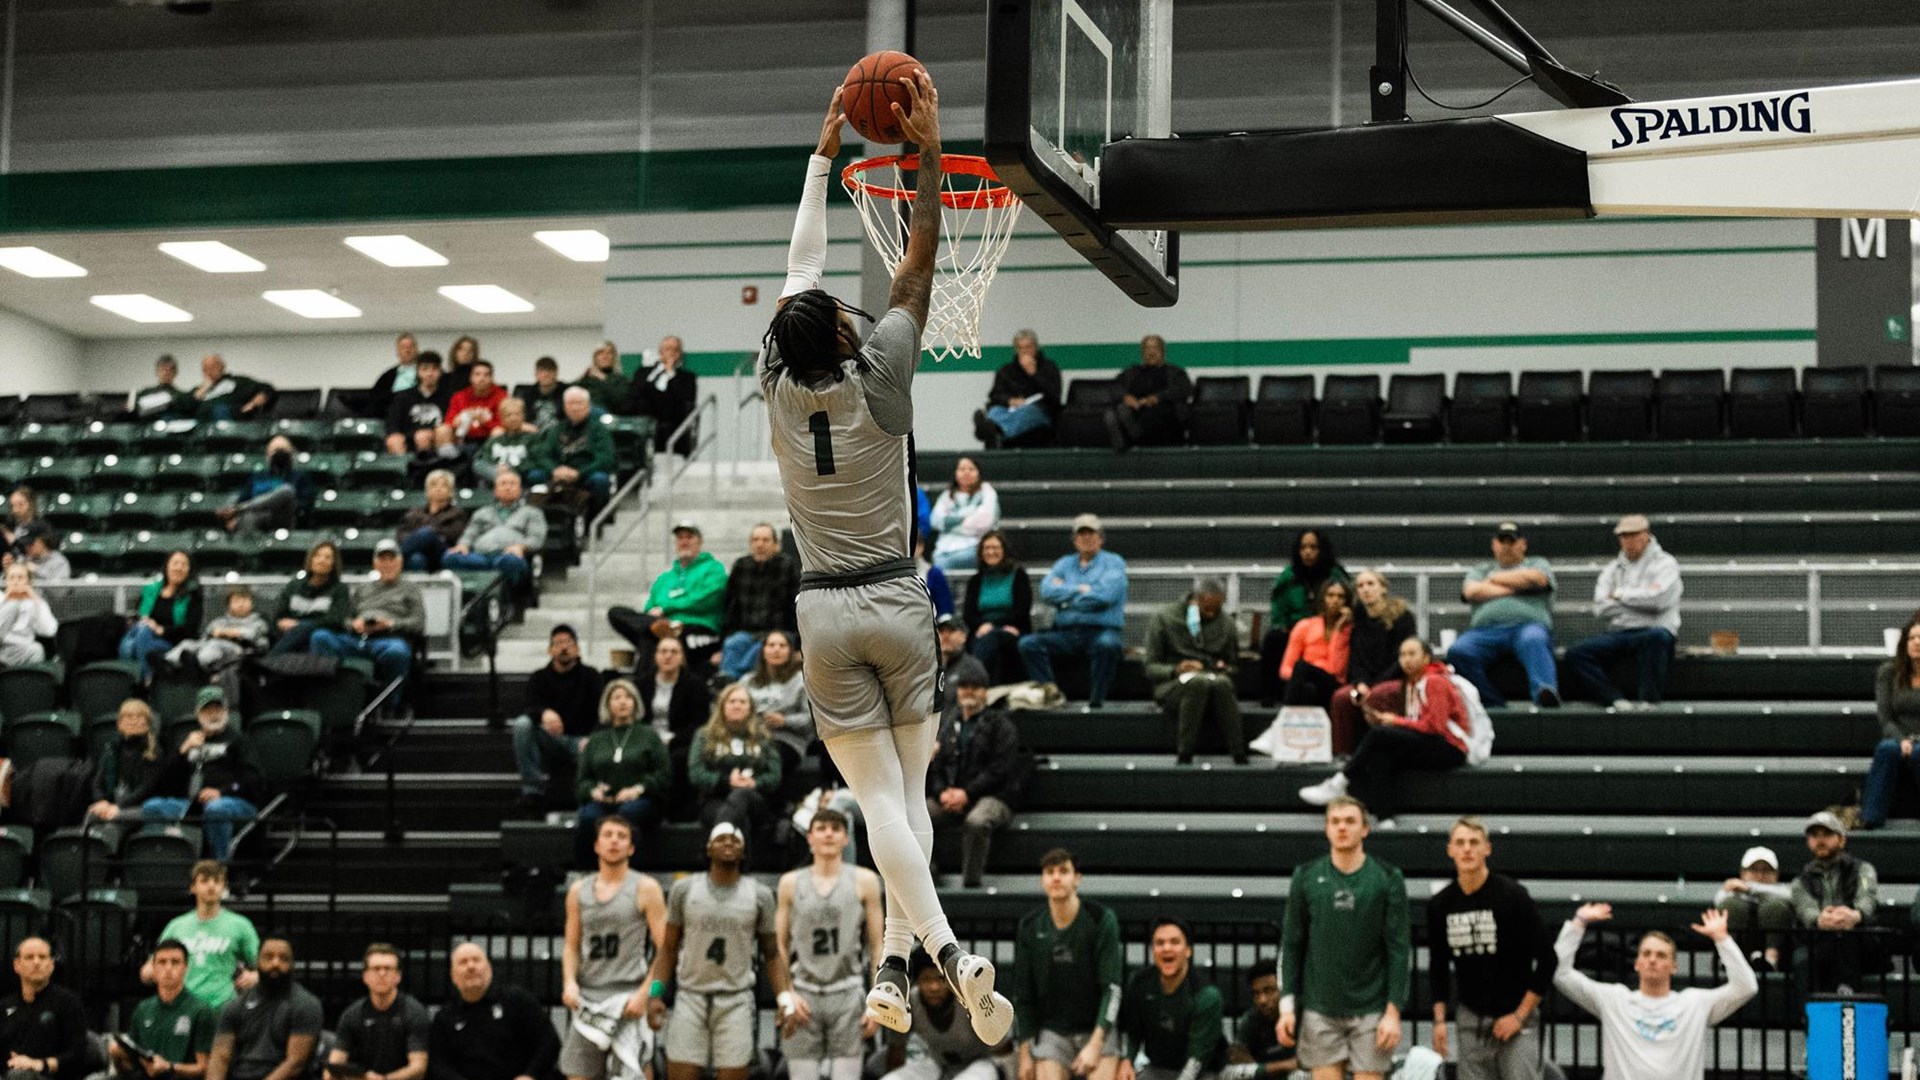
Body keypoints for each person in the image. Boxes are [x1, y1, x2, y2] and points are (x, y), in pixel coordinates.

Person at [760, 75, 1008, 1043]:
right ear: (842, 330)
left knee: (878, 804)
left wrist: (825, 162)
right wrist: (930, 151)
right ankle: (935, 952)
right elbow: (918, 262)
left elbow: (799, 264)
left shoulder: (777, 383)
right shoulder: (882, 371)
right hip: (899, 600)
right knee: (908, 797)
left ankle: (903, 968)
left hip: (821, 609)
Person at [637, 822, 793, 1080]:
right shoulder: (683, 890)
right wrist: (655, 994)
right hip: (690, 996)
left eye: (735, 840)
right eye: (721, 839)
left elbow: (772, 954)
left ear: (743, 853)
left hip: (736, 999)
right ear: (709, 848)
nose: (729, 843)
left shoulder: (760, 895)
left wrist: (785, 1001)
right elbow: (668, 948)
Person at [1277, 796, 1409, 1080]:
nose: (1342, 828)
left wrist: (1393, 1011)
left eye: (1350, 821)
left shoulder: (1387, 877)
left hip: (1372, 1008)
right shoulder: (1306, 876)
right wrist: (1286, 1007)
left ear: (1365, 829)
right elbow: (1291, 944)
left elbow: (1398, 949)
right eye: (1335, 822)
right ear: (1326, 829)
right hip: (1320, 1007)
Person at [1552, 904, 1756, 1080]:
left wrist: (1722, 939)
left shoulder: (1694, 1003)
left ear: (1674, 966)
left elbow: (1746, 987)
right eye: (1646, 954)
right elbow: (1560, 974)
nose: (1652, 960)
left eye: (1661, 955)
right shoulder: (1614, 999)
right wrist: (1577, 924)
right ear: (1637, 963)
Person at [1427, 816, 1553, 1080]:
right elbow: (1438, 965)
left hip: (1516, 1016)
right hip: (1471, 1018)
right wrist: (1439, 1021)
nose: (1467, 849)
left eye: (1474, 842)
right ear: (1450, 850)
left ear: (1487, 849)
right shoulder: (1441, 904)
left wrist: (1519, 1016)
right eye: (1460, 843)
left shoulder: (1512, 895)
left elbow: (1548, 960)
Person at [1298, 638, 1471, 821]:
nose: (1406, 660)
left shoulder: (1435, 681)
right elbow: (1417, 723)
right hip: (1430, 743)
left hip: (1451, 747)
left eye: (1412, 654)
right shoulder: (1412, 683)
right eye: (1402, 655)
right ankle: (1385, 818)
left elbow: (1435, 727)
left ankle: (1341, 780)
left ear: (1427, 658)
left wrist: (1395, 721)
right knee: (1381, 755)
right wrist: (1390, 721)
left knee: (1379, 734)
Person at [777, 808, 885, 1080]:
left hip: (847, 992)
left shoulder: (866, 881)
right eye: (821, 828)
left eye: (835, 829)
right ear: (809, 837)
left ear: (845, 839)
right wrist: (786, 993)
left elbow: (877, 946)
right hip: (803, 992)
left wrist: (877, 1000)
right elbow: (778, 945)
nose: (828, 833)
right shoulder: (789, 883)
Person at [561, 816, 668, 1080]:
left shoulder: (646, 888)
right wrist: (569, 983)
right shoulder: (578, 891)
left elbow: (666, 950)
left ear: (631, 848)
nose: (614, 841)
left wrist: (646, 994)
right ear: (596, 845)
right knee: (577, 1073)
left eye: (622, 836)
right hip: (588, 998)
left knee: (636, 1071)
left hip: (629, 995)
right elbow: (571, 946)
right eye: (608, 835)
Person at [1011, 849, 1122, 1080]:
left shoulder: (1100, 919)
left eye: (1064, 871)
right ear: (1042, 880)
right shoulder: (1030, 926)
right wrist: (1024, 1054)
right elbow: (1023, 995)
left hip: (1097, 1027)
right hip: (1053, 1031)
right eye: (1050, 872)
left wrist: (1096, 1043)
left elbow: (1112, 988)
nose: (1056, 877)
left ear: (1077, 878)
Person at [1562, 515, 1684, 708]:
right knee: (1576, 654)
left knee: (1658, 638)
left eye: (1633, 535)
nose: (1628, 541)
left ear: (1646, 535)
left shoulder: (1666, 564)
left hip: (1654, 630)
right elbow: (1601, 607)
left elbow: (1659, 601)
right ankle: (1614, 699)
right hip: (1619, 632)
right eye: (1624, 536)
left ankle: (1648, 701)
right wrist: (1642, 602)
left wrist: (1619, 595)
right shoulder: (1612, 569)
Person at [927, 663, 1026, 887]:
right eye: (964, 686)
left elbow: (1001, 768)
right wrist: (942, 792)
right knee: (916, 816)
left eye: (975, 686)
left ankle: (971, 883)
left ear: (986, 692)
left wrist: (967, 794)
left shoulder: (1002, 725)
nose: (969, 691)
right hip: (953, 795)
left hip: (994, 796)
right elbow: (938, 765)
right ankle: (929, 874)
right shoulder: (949, 725)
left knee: (977, 821)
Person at [1019, 515, 1128, 712]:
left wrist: (1066, 599)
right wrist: (1083, 589)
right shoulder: (1064, 563)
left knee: (1108, 645)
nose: (1086, 538)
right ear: (1075, 540)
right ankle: (1051, 694)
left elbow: (1105, 596)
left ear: (1101, 538)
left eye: (1091, 533)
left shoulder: (1114, 562)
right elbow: (1046, 591)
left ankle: (1097, 701)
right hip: (1067, 633)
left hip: (1101, 631)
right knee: (1029, 644)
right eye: (1081, 534)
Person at [1449, 523, 1561, 709]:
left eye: (1512, 540)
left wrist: (1493, 579)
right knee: (1459, 651)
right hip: (1485, 632)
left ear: (1523, 544)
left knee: (1534, 639)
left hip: (1527, 627)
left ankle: (1544, 693)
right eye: (1502, 541)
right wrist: (1518, 587)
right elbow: (1472, 592)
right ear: (1494, 544)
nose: (1507, 545)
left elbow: (1537, 579)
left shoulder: (1537, 563)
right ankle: (1491, 702)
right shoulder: (1480, 569)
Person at [143, 688, 263, 862]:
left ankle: (220, 869)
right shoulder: (190, 740)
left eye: (217, 709)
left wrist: (222, 792)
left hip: (234, 802)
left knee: (216, 809)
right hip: (192, 804)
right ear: (198, 713)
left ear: (226, 711)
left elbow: (254, 779)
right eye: (208, 710)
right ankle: (164, 865)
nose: (213, 715)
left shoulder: (239, 740)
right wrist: (182, 750)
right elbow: (162, 780)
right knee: (152, 807)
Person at [573, 678, 671, 869]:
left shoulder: (649, 735)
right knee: (588, 818)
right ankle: (586, 871)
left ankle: (630, 871)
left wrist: (638, 789)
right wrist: (593, 791)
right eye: (617, 697)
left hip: (643, 800)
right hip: (604, 801)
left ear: (635, 703)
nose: (623, 701)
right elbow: (581, 781)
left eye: (628, 697)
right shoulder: (596, 739)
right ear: (608, 705)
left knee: (626, 816)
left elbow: (664, 774)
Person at [1145, 578, 1244, 766]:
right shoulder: (1166, 618)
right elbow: (1150, 666)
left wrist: (1224, 668)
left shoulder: (1226, 624)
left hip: (1213, 678)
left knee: (1222, 683)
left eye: (1216, 609)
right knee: (1198, 682)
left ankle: (1238, 752)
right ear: (1195, 600)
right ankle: (1185, 754)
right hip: (1173, 683)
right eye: (1206, 609)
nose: (1211, 614)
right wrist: (1176, 669)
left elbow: (1234, 666)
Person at [611, 521, 726, 677]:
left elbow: (706, 599)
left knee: (651, 638)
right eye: (680, 538)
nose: (684, 541)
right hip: (660, 626)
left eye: (689, 537)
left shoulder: (714, 569)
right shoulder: (664, 578)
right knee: (616, 613)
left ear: (699, 542)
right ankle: (662, 629)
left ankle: (642, 687)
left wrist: (666, 608)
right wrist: (655, 619)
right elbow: (649, 609)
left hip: (698, 629)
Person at [428, 943, 558, 1080]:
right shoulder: (445, 1017)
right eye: (463, 962)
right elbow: (439, 1064)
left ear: (489, 968)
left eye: (476, 960)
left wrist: (530, 1075)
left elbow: (549, 1041)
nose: (471, 966)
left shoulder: (516, 1000)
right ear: (453, 976)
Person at [1114, 919, 1224, 1080]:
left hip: (1203, 1072)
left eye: (1175, 942)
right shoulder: (1140, 983)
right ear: (1153, 950)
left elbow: (1196, 1061)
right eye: (1159, 943)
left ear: (1188, 950)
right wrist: (1128, 1060)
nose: (1166, 948)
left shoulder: (1206, 995)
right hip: (1157, 1069)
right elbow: (1133, 1032)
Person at [310, 539, 424, 694]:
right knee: (321, 637)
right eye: (382, 560)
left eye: (392, 559)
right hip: (357, 639)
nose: (387, 564)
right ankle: (332, 696)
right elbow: (345, 618)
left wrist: (390, 624)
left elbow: (418, 623)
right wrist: (354, 624)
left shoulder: (411, 589)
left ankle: (389, 705)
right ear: (375, 564)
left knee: (397, 652)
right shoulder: (363, 589)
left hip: (388, 640)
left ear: (400, 562)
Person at [510, 624, 604, 811]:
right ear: (550, 650)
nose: (563, 647)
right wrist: (543, 713)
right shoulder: (538, 678)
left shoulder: (591, 676)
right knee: (522, 724)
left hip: (582, 742)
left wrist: (592, 738)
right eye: (558, 643)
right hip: (550, 740)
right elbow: (527, 706)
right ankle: (532, 790)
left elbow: (604, 712)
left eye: (568, 642)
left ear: (577, 649)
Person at [1329, 571, 1418, 757]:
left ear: (1383, 588)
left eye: (1370, 583)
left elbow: (1401, 660)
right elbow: (1356, 661)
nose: (1365, 589)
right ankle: (1343, 755)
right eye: (1360, 586)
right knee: (1341, 697)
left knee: (1377, 695)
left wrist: (1373, 686)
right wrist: (1360, 684)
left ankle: (1379, 756)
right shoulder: (1359, 622)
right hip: (1367, 683)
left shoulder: (1402, 617)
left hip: (1397, 678)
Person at [205, 938, 320, 1080]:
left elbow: (295, 1063)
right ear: (257, 961)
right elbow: (220, 1057)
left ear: (292, 964)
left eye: (283, 958)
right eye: (268, 957)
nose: (275, 963)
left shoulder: (306, 1004)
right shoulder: (236, 1005)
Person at [1791, 809, 1880, 992]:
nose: (1820, 840)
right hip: (1819, 941)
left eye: (1827, 834)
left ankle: (1846, 1006)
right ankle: (1809, 1017)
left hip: (1858, 940)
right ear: (1809, 842)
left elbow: (1867, 899)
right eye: (1814, 836)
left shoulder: (1863, 869)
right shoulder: (1800, 881)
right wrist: (1820, 919)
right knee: (1801, 958)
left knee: (1846, 937)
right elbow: (1806, 910)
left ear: (1842, 839)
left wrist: (1854, 915)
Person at [1258, 530, 1351, 706]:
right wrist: (1284, 624)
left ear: (1322, 550)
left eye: (1313, 547)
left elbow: (1348, 598)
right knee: (1273, 638)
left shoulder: (1335, 574)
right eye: (1303, 547)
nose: (1307, 552)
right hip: (1296, 629)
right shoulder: (1288, 575)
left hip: (1329, 627)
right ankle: (1268, 696)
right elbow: (1278, 605)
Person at [882, 951, 1003, 1080]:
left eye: (940, 979)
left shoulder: (971, 1000)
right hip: (937, 1063)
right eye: (926, 980)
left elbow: (1004, 1049)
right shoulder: (910, 1002)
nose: (934, 988)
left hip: (978, 1064)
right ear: (917, 981)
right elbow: (896, 1050)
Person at [156, 860, 259, 1009]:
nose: (211, 886)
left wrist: (255, 977)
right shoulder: (176, 926)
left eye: (217, 881)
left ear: (224, 887)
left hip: (223, 1006)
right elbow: (153, 964)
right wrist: (151, 971)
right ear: (193, 887)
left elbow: (263, 967)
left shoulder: (240, 925)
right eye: (204, 881)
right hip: (184, 1007)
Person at [688, 683, 782, 843]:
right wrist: (726, 781)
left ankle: (716, 856)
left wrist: (755, 783)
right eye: (732, 701)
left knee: (741, 795)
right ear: (722, 706)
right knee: (738, 818)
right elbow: (696, 773)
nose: (737, 705)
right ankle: (739, 866)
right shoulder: (704, 735)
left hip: (756, 799)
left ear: (751, 708)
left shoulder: (763, 736)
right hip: (714, 800)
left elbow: (775, 775)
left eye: (742, 702)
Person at [112, 939, 216, 1080]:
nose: (168, 968)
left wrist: (169, 1067)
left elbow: (205, 1068)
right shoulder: (143, 1008)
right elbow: (132, 1062)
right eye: (162, 962)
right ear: (153, 968)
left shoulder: (201, 1010)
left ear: (186, 968)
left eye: (175, 962)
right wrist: (119, 1056)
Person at [328, 944, 429, 1080]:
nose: (382, 973)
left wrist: (384, 1079)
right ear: (365, 976)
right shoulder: (352, 1014)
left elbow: (418, 1068)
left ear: (398, 976)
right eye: (376, 969)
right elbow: (336, 1060)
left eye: (388, 969)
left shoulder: (414, 1012)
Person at [719, 523, 800, 681]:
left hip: (779, 631)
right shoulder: (741, 566)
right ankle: (726, 682)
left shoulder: (788, 566)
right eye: (755, 540)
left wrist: (798, 643)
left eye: (765, 540)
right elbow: (731, 607)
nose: (760, 544)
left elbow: (796, 606)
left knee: (759, 650)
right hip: (747, 632)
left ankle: (738, 682)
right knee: (732, 643)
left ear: (776, 544)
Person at [0, 937, 90, 1078]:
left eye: (42, 957)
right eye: (30, 957)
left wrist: (39, 1064)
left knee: (20, 1076)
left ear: (52, 965)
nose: (36, 962)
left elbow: (78, 1053)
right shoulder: (5, 1005)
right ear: (16, 965)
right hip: (10, 1073)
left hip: (50, 1075)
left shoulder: (68, 1002)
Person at [1861, 616, 1920, 829]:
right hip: (1898, 737)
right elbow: (1885, 717)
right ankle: (1871, 817)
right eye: (1911, 638)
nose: (1916, 642)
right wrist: (1902, 739)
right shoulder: (1889, 672)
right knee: (1887, 749)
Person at [165, 585, 267, 707]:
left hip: (240, 650)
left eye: (245, 600)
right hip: (211, 647)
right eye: (236, 601)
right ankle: (168, 663)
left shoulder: (258, 621)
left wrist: (226, 632)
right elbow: (206, 636)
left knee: (215, 644)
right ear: (228, 605)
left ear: (252, 603)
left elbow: (251, 635)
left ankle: (198, 664)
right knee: (188, 644)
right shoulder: (219, 621)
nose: (241, 604)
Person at [442, 469, 547, 588]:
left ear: (520, 490)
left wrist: (521, 546)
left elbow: (536, 538)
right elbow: (470, 534)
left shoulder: (532, 513)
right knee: (450, 558)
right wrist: (463, 545)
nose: (508, 487)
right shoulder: (482, 512)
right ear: (495, 491)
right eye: (503, 484)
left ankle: (506, 600)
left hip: (508, 556)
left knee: (511, 562)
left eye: (512, 484)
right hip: (481, 557)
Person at [639, 636, 711, 799]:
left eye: (674, 652)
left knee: (679, 757)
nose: (668, 656)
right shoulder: (642, 684)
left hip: (680, 741)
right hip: (646, 739)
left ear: (681, 657)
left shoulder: (695, 685)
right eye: (663, 651)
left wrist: (672, 738)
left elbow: (700, 723)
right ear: (656, 656)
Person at [119, 549, 204, 680]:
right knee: (136, 636)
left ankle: (145, 681)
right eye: (175, 563)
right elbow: (138, 613)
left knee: (132, 643)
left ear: (189, 570)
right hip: (144, 635)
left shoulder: (193, 594)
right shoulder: (151, 589)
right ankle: (143, 680)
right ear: (167, 566)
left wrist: (160, 629)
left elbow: (191, 629)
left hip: (173, 641)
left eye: (184, 564)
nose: (179, 568)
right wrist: (144, 621)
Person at [746, 629, 813, 796]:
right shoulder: (748, 681)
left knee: (769, 757)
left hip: (787, 740)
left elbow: (812, 719)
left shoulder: (802, 680)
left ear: (791, 651)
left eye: (782, 645)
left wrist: (784, 721)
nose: (776, 649)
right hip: (751, 738)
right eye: (771, 645)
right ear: (763, 651)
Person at [88, 698, 174, 824]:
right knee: (92, 814)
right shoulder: (112, 749)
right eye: (128, 716)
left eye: (139, 717)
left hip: (142, 807)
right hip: (114, 804)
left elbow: (146, 789)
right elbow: (97, 782)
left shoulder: (154, 752)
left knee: (116, 819)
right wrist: (101, 801)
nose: (133, 721)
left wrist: (118, 806)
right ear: (119, 724)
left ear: (147, 723)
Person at [963, 531, 1031, 686]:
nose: (991, 552)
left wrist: (994, 626)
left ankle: (973, 683)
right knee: (986, 640)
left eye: (995, 547)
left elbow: (1022, 609)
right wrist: (981, 625)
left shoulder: (1019, 575)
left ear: (1004, 550)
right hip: (982, 630)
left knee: (992, 638)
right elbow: (968, 613)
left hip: (1013, 629)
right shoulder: (976, 580)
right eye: (986, 548)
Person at [974, 329, 1061, 448]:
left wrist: (1034, 374)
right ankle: (990, 426)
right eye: (1020, 348)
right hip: (1010, 409)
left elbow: (1054, 396)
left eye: (1028, 347)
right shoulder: (1006, 370)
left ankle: (992, 429)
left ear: (1036, 348)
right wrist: (1010, 400)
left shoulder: (1049, 367)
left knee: (1026, 412)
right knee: (995, 410)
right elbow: (995, 394)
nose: (1024, 352)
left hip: (1040, 410)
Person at [532, 386, 616, 509]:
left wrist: (579, 473)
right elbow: (543, 455)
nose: (575, 407)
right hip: (558, 474)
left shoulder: (599, 430)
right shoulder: (557, 429)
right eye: (571, 403)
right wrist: (554, 470)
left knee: (600, 479)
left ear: (588, 406)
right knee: (535, 475)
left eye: (579, 403)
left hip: (586, 474)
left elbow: (605, 459)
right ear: (565, 407)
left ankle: (595, 521)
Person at [1104, 335, 1191, 451]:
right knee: (1113, 413)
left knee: (1147, 414)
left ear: (1162, 351)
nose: (1151, 352)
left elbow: (1184, 389)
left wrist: (1156, 398)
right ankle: (1130, 439)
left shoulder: (1175, 372)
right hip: (1135, 409)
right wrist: (1125, 397)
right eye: (1147, 349)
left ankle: (1133, 439)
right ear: (1142, 352)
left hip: (1162, 410)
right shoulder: (1132, 371)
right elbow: (1114, 387)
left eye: (1155, 348)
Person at [216, 436, 316, 536]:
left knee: (287, 490)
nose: (279, 455)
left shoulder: (300, 477)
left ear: (291, 454)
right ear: (267, 455)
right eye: (275, 451)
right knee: (246, 514)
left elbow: (304, 505)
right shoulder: (257, 477)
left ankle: (241, 510)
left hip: (283, 518)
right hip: (254, 518)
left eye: (283, 451)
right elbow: (243, 498)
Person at [1714, 845, 1791, 972]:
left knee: (1775, 907)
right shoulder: (1731, 890)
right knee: (1732, 906)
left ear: (1776, 874)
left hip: (1779, 949)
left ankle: (1770, 960)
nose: (1760, 876)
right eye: (1754, 870)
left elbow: (1789, 896)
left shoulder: (1783, 890)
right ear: (1743, 873)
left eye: (1766, 871)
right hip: (1742, 943)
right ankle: (1728, 959)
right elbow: (1719, 901)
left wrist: (1750, 889)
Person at [267, 540, 351, 656]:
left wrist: (300, 625)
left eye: (328, 557)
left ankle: (271, 658)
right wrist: (281, 623)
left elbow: (335, 620)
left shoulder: (340, 589)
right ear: (310, 559)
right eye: (317, 556)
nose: (322, 560)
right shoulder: (294, 585)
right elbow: (277, 617)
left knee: (312, 633)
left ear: (334, 563)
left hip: (318, 638)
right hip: (289, 636)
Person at [1279, 580, 1352, 709]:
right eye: (1330, 595)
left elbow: (1337, 670)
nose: (1335, 600)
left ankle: (1285, 715)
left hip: (1334, 683)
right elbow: (1285, 669)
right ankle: (1291, 721)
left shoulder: (1350, 630)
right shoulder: (1305, 626)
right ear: (1322, 598)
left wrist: (1339, 629)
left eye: (1341, 596)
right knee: (1307, 687)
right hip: (1305, 681)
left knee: (1302, 667)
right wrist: (1300, 680)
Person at [626, 335, 700, 455]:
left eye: (675, 349)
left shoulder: (687, 377)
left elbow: (684, 401)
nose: (671, 353)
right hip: (645, 423)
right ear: (661, 352)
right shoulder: (643, 372)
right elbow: (635, 394)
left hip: (671, 425)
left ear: (680, 354)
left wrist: (670, 373)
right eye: (668, 349)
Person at [1224, 964, 1297, 1080]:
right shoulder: (1253, 1018)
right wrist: (1283, 1066)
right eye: (1256, 993)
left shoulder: (1301, 1014)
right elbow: (1236, 1054)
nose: (1262, 1000)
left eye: (1269, 991)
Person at [928, 457, 999, 571]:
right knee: (938, 561)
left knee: (942, 565)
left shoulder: (987, 492)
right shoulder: (947, 495)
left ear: (978, 473)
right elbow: (935, 521)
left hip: (976, 545)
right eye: (962, 469)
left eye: (971, 469)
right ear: (956, 474)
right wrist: (967, 517)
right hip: (944, 548)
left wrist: (950, 524)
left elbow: (985, 522)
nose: (966, 472)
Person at [394, 469, 469, 574]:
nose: (438, 489)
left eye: (444, 485)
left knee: (426, 533)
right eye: (434, 485)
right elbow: (401, 534)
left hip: (441, 552)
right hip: (417, 552)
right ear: (427, 489)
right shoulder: (415, 512)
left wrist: (428, 532)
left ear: (450, 491)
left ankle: (392, 562)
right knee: (416, 559)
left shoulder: (456, 513)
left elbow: (453, 534)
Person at [385, 352, 451, 457]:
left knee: (425, 437)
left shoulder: (448, 397)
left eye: (434, 369)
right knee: (393, 440)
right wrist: (399, 435)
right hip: (408, 438)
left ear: (440, 372)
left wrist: (430, 434)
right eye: (425, 369)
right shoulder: (403, 396)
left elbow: (449, 424)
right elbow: (392, 423)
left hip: (437, 439)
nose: (430, 373)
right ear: (418, 372)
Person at [473, 397, 546, 487]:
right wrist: (495, 471)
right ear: (501, 418)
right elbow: (480, 461)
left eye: (517, 414)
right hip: (496, 478)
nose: (513, 418)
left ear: (523, 416)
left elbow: (537, 461)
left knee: (536, 474)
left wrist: (511, 470)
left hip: (522, 480)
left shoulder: (531, 438)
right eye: (509, 415)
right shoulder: (495, 439)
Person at [0, 563, 56, 667]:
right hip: (1, 647)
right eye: (11, 578)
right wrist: (8, 601)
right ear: (6, 580)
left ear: (29, 582)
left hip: (23, 648)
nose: (16, 581)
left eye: (20, 578)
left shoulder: (36, 603)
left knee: (36, 649)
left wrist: (36, 601)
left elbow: (49, 631)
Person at [443, 358, 506, 445]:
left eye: (486, 375)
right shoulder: (459, 396)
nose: (482, 378)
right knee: (443, 430)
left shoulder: (501, 396)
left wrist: (484, 422)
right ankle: (448, 457)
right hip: (462, 439)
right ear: (471, 377)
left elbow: (504, 425)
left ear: (492, 378)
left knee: (499, 432)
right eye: (477, 374)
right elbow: (448, 422)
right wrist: (455, 422)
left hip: (488, 438)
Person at [192, 354, 272, 422]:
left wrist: (253, 403)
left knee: (219, 409)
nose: (208, 371)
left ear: (221, 367)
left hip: (230, 424)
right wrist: (202, 390)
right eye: (205, 369)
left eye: (212, 367)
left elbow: (265, 388)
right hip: (201, 427)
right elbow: (186, 406)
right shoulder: (199, 390)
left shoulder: (237, 382)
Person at [368, 333, 420, 420]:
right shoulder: (387, 376)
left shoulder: (429, 372)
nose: (407, 350)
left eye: (411, 347)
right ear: (398, 351)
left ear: (417, 349)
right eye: (403, 347)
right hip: (395, 414)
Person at [131, 354, 197, 422]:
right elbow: (137, 411)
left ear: (175, 373)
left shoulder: (181, 397)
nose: (166, 373)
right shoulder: (146, 393)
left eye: (170, 370)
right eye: (163, 369)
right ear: (157, 372)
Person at [515, 355, 569, 431]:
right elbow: (519, 416)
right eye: (542, 371)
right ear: (536, 374)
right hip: (533, 434)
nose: (546, 375)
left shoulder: (567, 392)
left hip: (559, 434)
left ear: (556, 373)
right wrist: (523, 425)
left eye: (549, 370)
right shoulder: (527, 394)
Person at [578, 341, 630, 415]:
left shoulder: (621, 380)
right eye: (600, 353)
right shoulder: (585, 380)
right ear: (595, 358)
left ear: (614, 357)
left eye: (609, 353)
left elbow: (621, 402)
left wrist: (602, 378)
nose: (605, 356)